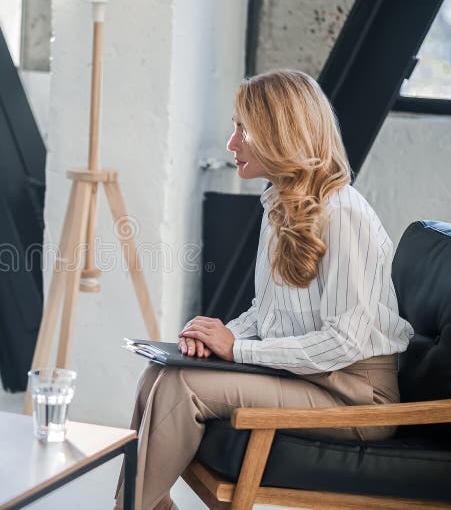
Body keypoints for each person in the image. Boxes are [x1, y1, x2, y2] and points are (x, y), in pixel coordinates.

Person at [115, 69, 413, 510]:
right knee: (158, 374)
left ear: (281, 134)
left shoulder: (344, 213)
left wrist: (237, 350)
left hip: (357, 394)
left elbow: (345, 341)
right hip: (313, 378)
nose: (232, 143)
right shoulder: (280, 202)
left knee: (184, 388)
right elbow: (266, 309)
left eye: (244, 129)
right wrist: (216, 337)